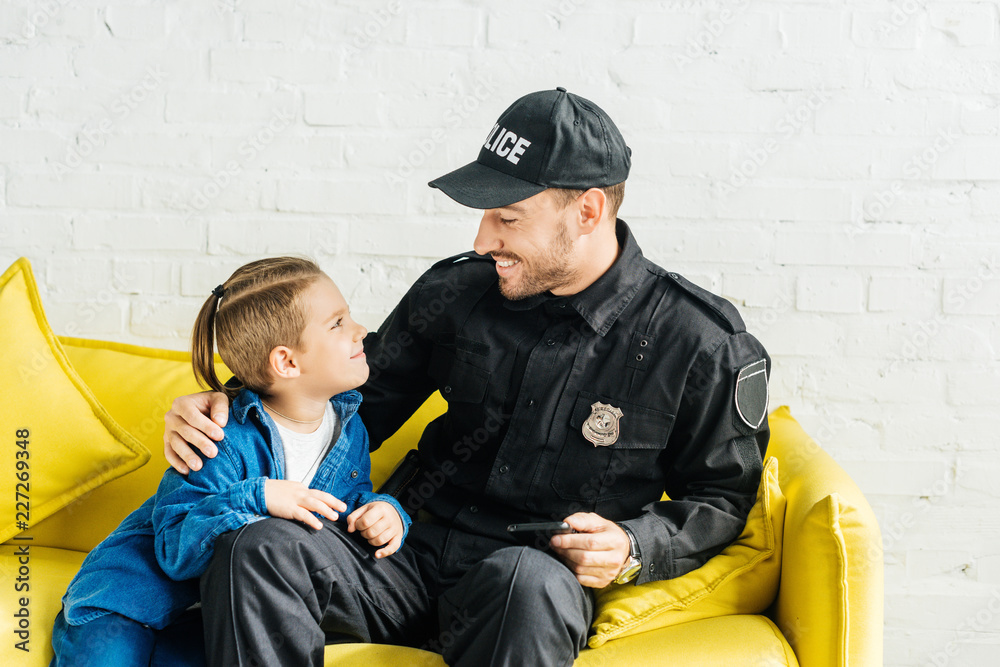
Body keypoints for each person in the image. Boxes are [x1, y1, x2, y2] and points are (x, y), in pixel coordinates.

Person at [163, 88, 771, 667]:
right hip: (398, 556)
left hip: (523, 580)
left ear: (587, 210)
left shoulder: (697, 341)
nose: (483, 241)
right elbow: (347, 404)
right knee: (254, 547)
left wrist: (633, 548)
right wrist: (224, 406)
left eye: (507, 218)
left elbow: (721, 497)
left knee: (527, 584)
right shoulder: (456, 291)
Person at [51, 257, 410, 666]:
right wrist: (257, 497)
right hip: (126, 605)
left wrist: (386, 511)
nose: (361, 331)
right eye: (338, 323)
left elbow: (345, 507)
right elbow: (174, 548)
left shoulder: (349, 429)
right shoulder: (219, 436)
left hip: (208, 619)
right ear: (287, 362)